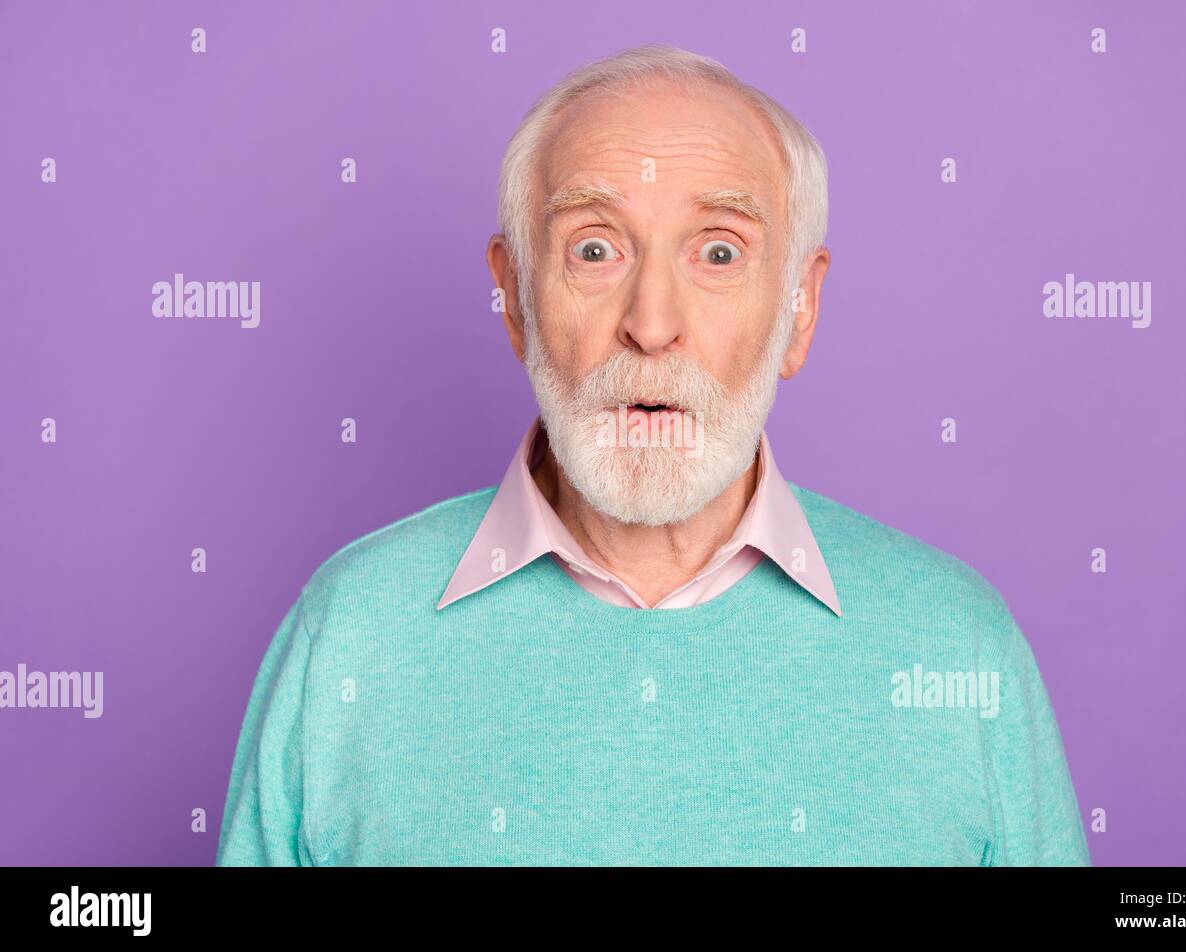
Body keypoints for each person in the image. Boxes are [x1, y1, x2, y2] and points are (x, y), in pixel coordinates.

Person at [216, 44, 1090, 866]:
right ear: (515, 298)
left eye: (719, 252)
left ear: (800, 310)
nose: (652, 322)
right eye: (593, 249)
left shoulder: (957, 646)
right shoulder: (350, 637)